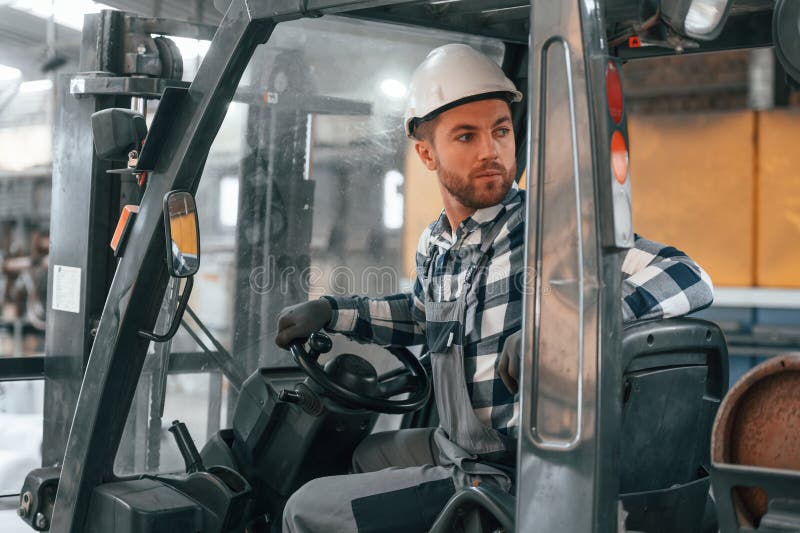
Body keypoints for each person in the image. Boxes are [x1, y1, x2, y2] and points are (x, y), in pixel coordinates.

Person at [276, 44, 714, 533]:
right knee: (369, 453)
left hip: (513, 473)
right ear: (426, 153)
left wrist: (561, 334)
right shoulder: (437, 243)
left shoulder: (552, 229)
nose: (491, 150)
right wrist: (333, 312)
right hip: (457, 446)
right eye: (466, 136)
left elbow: (688, 275)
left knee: (304, 508)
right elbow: (423, 316)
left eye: (501, 131)